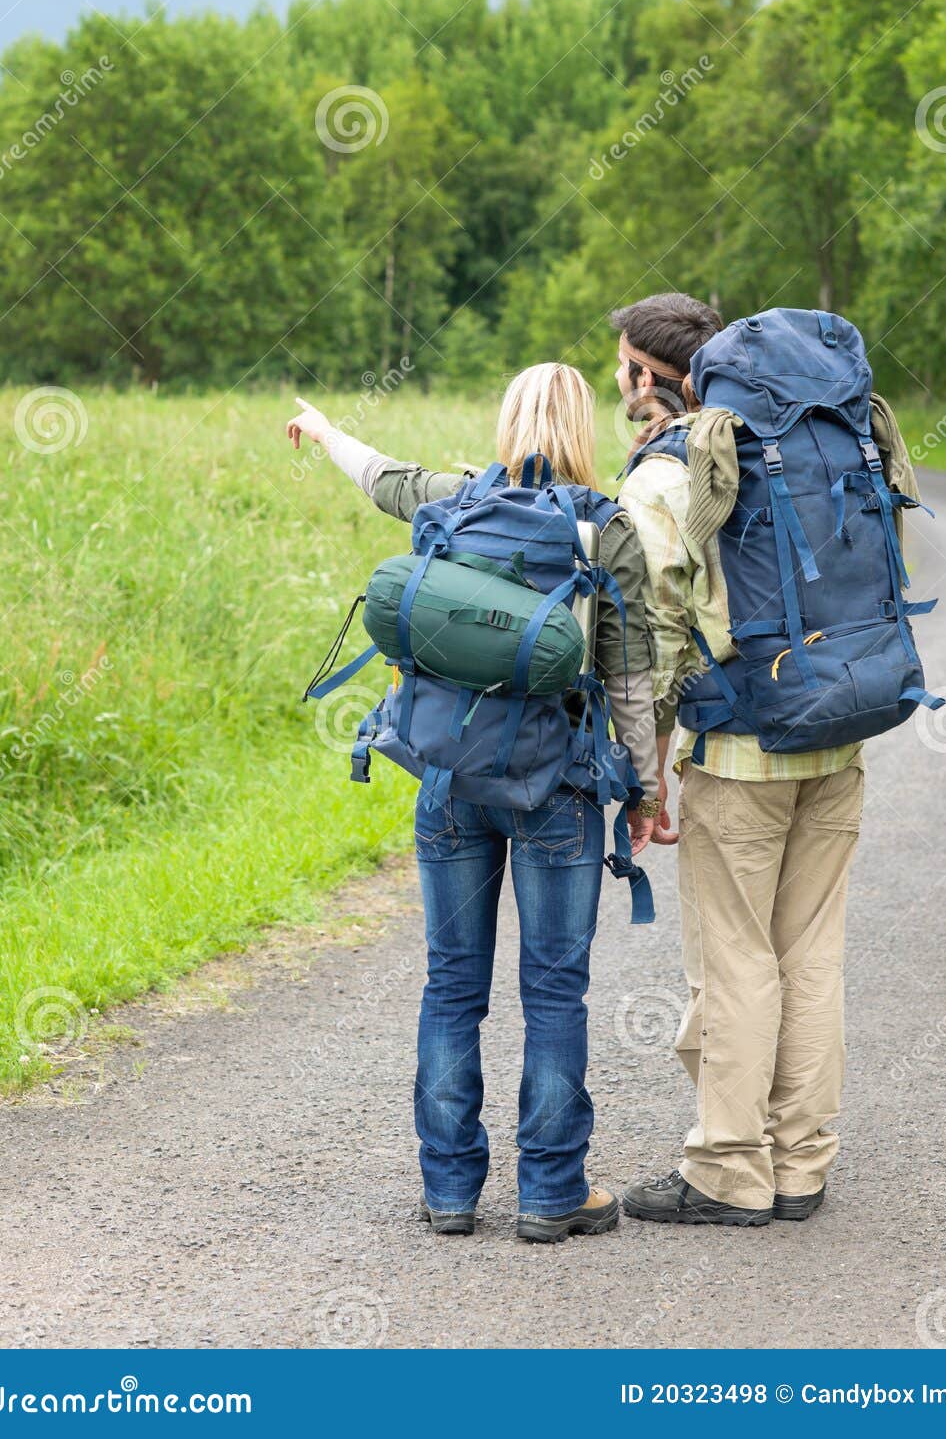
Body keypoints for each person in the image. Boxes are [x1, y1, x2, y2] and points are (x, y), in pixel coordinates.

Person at [287, 363, 661, 1244]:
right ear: (582, 426)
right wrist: (643, 792)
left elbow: (379, 477)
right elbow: (630, 682)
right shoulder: (605, 529)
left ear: (506, 423)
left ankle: (450, 1192)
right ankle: (549, 1195)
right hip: (556, 791)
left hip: (450, 781)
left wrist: (324, 427)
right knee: (555, 992)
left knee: (452, 986)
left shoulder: (456, 500)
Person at [610, 292, 918, 1229]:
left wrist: (645, 773)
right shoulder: (823, 437)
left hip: (738, 752)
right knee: (810, 954)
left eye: (620, 366)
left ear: (649, 377)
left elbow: (653, 640)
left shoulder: (668, 474)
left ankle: (728, 1171)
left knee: (736, 960)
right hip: (837, 732)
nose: (614, 382)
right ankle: (801, 1166)